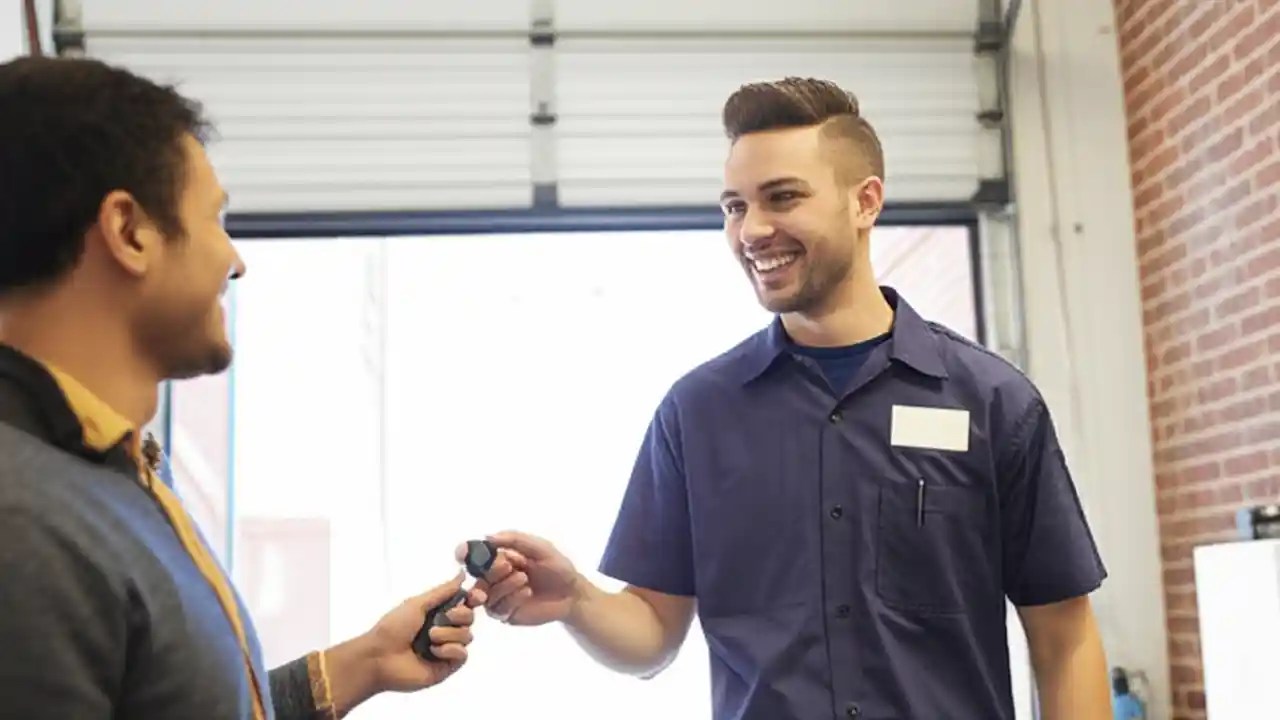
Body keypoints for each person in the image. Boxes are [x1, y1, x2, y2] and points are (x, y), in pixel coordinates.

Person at [481, 78, 1112, 719]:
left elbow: (1064, 641)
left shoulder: (991, 403)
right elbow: (652, 635)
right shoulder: (696, 415)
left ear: (865, 202)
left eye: (782, 198)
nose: (752, 229)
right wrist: (576, 602)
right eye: (734, 206)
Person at [0, 55, 526, 719]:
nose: (235, 260)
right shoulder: (23, 525)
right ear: (129, 232)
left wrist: (362, 663)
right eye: (215, 219)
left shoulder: (105, 480)